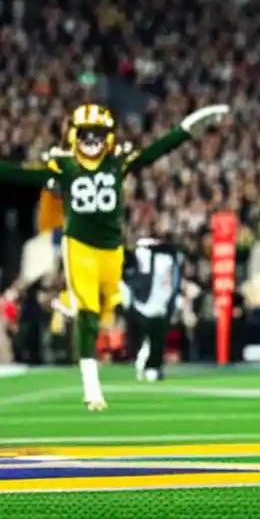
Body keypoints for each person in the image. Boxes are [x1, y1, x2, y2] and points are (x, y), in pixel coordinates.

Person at [0, 103, 228, 410]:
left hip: (112, 249)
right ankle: (91, 386)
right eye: (86, 134)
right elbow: (22, 176)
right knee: (89, 314)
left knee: (112, 308)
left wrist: (186, 130)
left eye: (98, 134)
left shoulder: (117, 162)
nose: (91, 140)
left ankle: (73, 305)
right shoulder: (64, 167)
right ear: (74, 135)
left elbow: (153, 152)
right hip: (79, 246)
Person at [120, 236, 184, 382]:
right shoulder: (167, 258)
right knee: (153, 338)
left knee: (155, 339)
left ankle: (150, 365)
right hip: (153, 305)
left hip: (152, 305)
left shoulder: (159, 258)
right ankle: (149, 365)